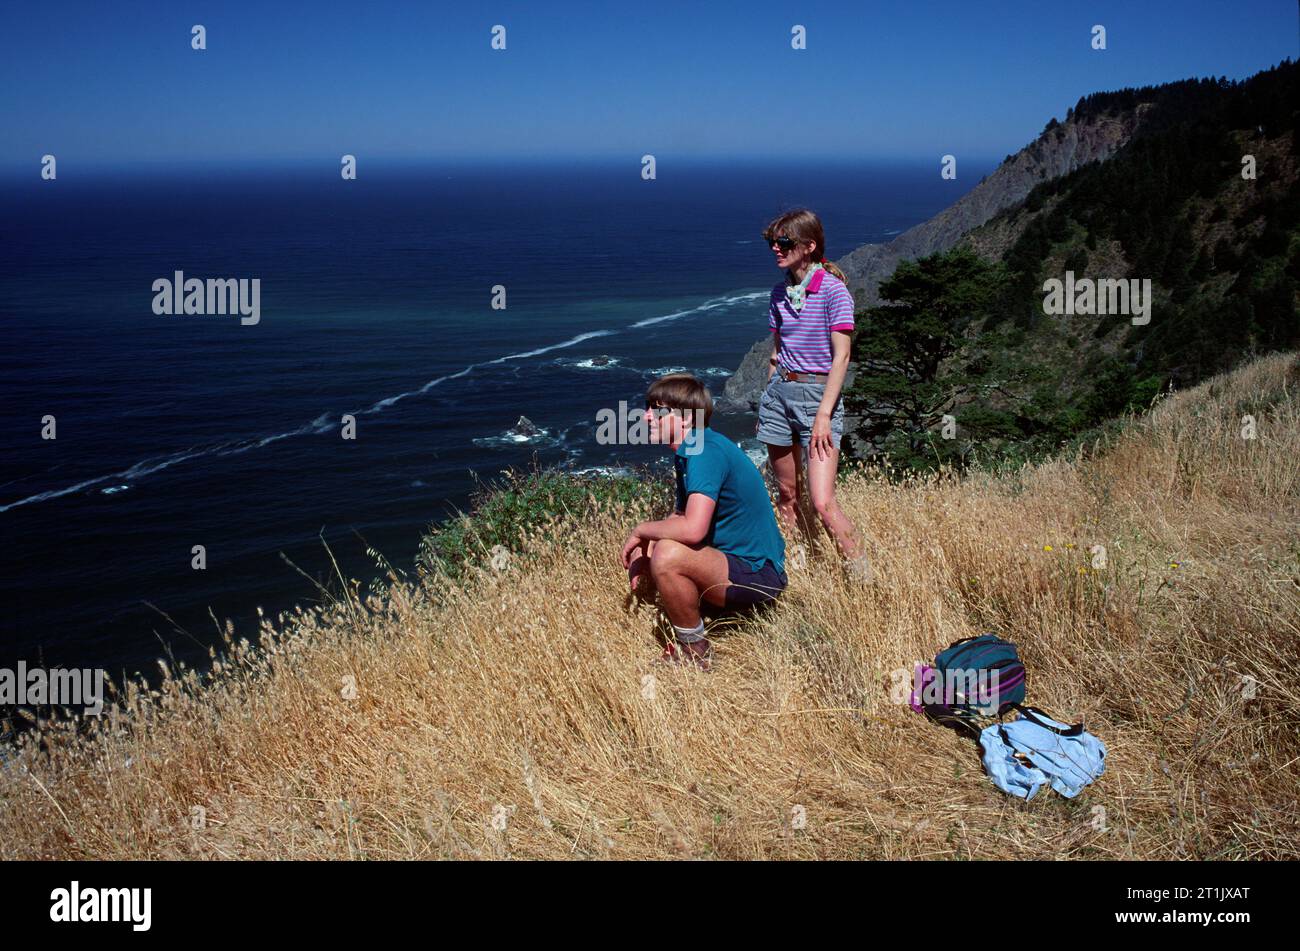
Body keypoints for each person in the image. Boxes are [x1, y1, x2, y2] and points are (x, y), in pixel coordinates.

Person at [621, 373, 787, 670]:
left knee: (669, 555)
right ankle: (707, 626)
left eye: (657, 410)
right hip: (738, 568)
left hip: (757, 576)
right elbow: (681, 517)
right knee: (660, 548)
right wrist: (645, 549)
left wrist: (641, 530)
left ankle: (694, 652)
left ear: (685, 419)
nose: (646, 416)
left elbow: (693, 529)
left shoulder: (704, 451)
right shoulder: (693, 448)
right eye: (647, 407)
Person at [757, 208, 870, 581]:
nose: (775, 247)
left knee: (822, 501)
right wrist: (767, 396)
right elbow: (776, 352)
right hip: (779, 394)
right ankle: (792, 570)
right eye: (772, 240)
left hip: (817, 397)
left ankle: (863, 575)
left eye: (784, 241)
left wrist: (824, 414)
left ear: (809, 246)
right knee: (787, 494)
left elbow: (843, 357)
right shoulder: (778, 293)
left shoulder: (834, 291)